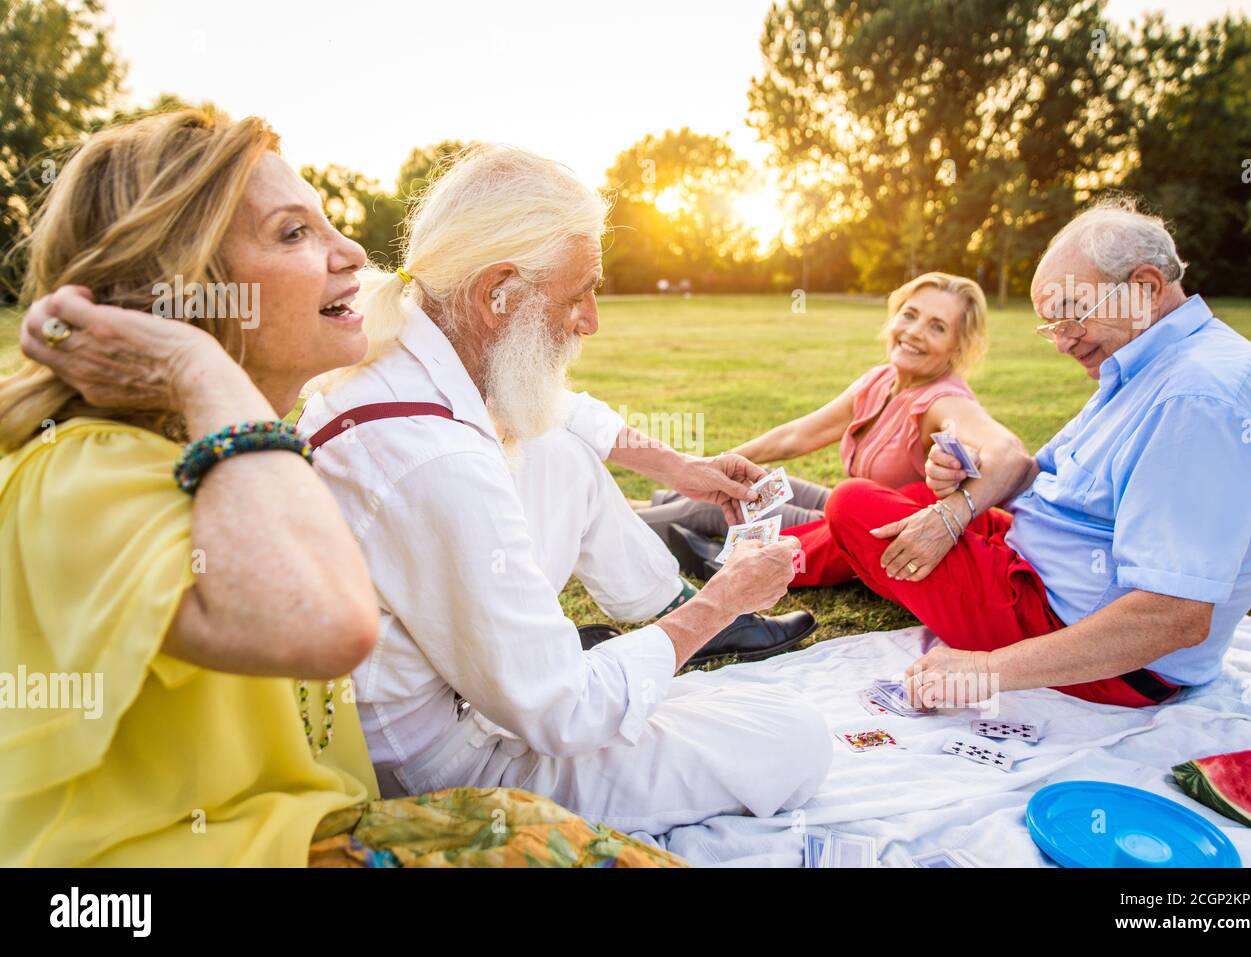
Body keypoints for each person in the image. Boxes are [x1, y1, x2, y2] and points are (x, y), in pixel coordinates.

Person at [0, 109, 680, 868]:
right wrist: (198, 368)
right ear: (185, 286)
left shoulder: (194, 454)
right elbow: (329, 624)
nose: (353, 250)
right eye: (293, 233)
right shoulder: (86, 472)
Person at [298, 145, 832, 836]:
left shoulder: (403, 344)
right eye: (578, 292)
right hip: (449, 766)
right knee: (793, 737)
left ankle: (663, 609)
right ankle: (699, 620)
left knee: (555, 447)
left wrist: (681, 468)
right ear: (498, 293)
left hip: (445, 684)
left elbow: (561, 411)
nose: (590, 319)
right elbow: (563, 710)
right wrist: (723, 596)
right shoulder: (441, 462)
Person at [824, 200, 1251, 709]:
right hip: (1037, 564)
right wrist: (970, 475)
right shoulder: (1149, 362)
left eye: (1074, 314)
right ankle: (776, 547)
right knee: (918, 499)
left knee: (854, 506)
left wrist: (983, 669)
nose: (1061, 343)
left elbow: (1173, 615)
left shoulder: (1201, 399)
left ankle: (782, 548)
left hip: (1089, 643)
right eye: (1051, 324)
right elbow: (1040, 478)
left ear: (1144, 289)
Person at [638, 273, 1026, 587]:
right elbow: (795, 437)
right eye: (909, 315)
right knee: (737, 484)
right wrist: (711, 465)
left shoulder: (943, 400)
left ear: (957, 348)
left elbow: (1008, 451)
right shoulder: (881, 381)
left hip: (865, 535)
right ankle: (632, 506)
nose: (914, 332)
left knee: (713, 507)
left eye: (937, 327)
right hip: (842, 507)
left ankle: (602, 525)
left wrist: (956, 510)